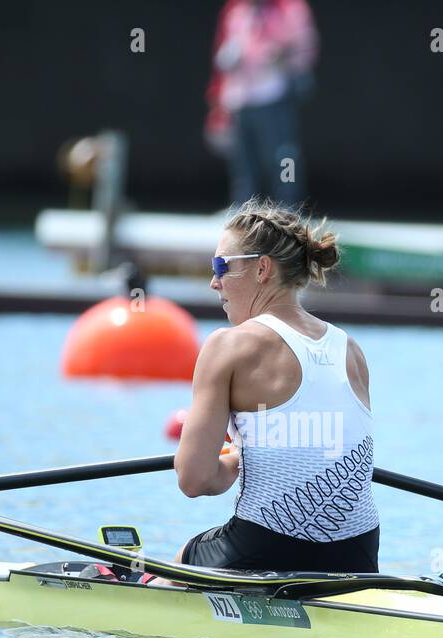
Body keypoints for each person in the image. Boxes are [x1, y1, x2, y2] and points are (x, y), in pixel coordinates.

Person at [175, 199, 379, 573]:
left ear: (262, 268)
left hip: (266, 546)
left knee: (185, 555)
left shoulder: (228, 345)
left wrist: (233, 465)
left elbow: (194, 480)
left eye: (222, 266)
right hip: (357, 554)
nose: (213, 281)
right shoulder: (351, 350)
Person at [205, 0, 318, 206]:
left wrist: (283, 55)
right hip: (241, 99)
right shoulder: (236, 11)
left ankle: (289, 209)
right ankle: (242, 213)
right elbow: (223, 57)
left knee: (283, 157)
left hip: (274, 96)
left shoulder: (291, 8)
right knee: (243, 165)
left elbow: (305, 48)